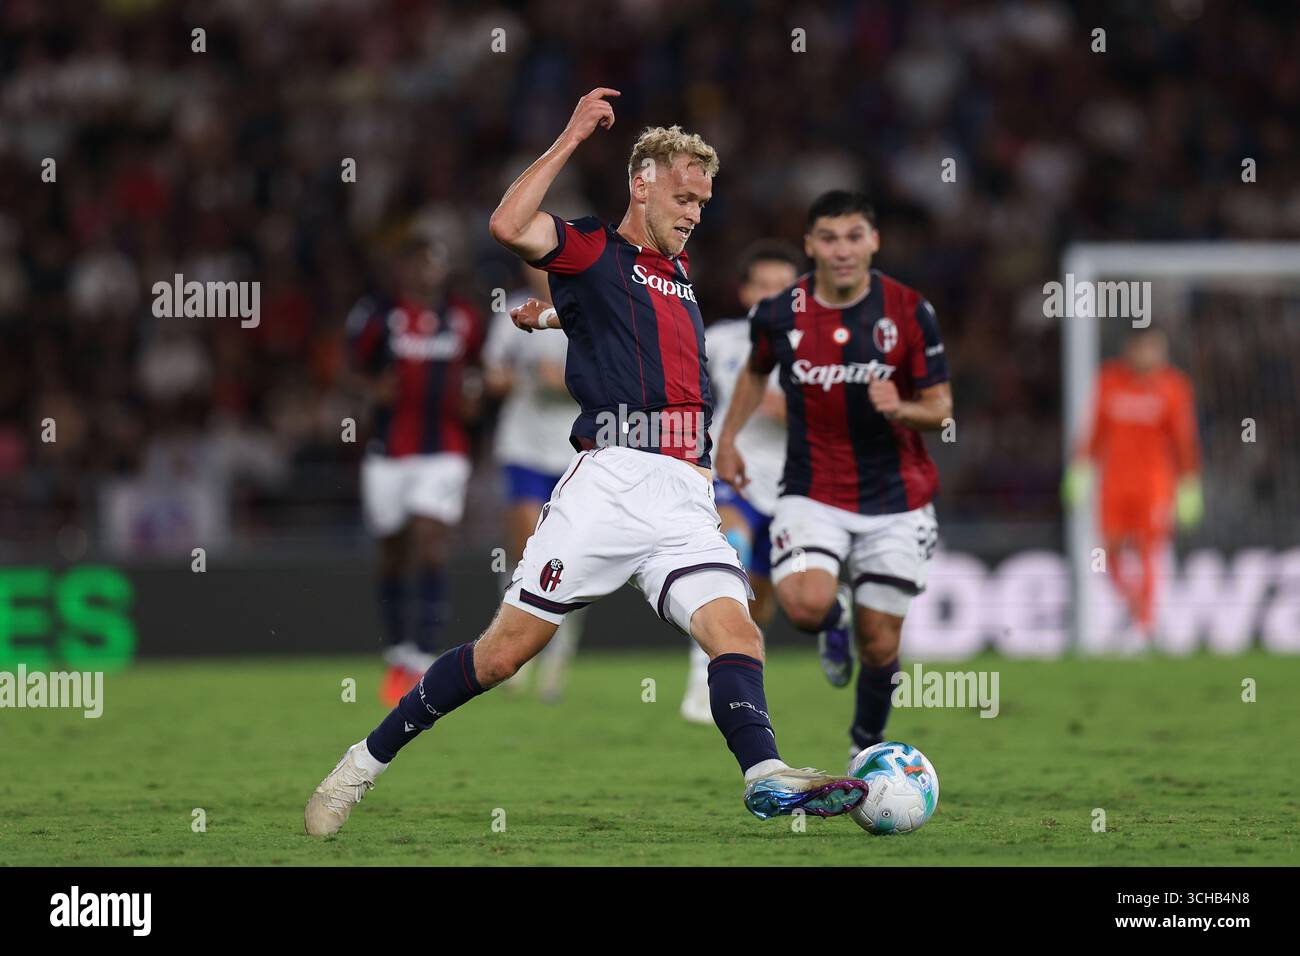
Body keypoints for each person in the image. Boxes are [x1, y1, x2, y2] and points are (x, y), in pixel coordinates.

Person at [305, 90, 868, 836]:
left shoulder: (673, 270)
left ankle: (765, 775)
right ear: (641, 181)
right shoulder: (593, 245)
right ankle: (358, 767)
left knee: (737, 633)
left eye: (703, 199)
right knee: (504, 655)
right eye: (683, 194)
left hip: (684, 492)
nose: (695, 210)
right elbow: (508, 225)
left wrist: (550, 314)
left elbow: (616, 316)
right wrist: (570, 133)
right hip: (610, 482)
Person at [715, 190, 952, 760]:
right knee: (803, 606)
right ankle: (833, 614)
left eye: (853, 236)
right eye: (828, 238)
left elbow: (940, 407)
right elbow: (753, 374)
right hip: (811, 492)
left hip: (897, 499)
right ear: (810, 246)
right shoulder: (780, 313)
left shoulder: (910, 312)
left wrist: (901, 408)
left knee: (880, 642)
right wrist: (727, 440)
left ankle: (865, 744)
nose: (841, 250)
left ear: (873, 241)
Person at [345, 234, 485, 706]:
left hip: (445, 449)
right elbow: (347, 369)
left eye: (436, 262)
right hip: (389, 452)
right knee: (392, 551)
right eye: (421, 262)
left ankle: (423, 657)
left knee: (430, 541)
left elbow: (480, 370)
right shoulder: (377, 314)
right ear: (405, 268)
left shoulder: (463, 317)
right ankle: (397, 650)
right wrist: (370, 387)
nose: (430, 271)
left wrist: (474, 393)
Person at [681, 240, 800, 724]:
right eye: (764, 286)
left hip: (792, 486)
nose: (772, 295)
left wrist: (793, 412)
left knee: (762, 600)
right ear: (746, 290)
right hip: (731, 472)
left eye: (784, 287)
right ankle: (698, 677)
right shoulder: (720, 339)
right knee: (732, 548)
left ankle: (735, 668)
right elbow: (688, 395)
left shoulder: (820, 347)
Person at [482, 264, 585, 701]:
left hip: (572, 450)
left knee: (566, 557)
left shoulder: (587, 305)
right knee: (527, 549)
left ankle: (556, 657)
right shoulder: (510, 308)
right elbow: (491, 374)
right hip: (523, 444)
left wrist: (562, 385)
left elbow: (610, 382)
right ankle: (513, 654)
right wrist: (504, 380)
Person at [1063, 329, 1202, 646]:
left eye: (1158, 348)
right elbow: (1095, 430)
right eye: (1147, 348)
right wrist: (1080, 468)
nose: (1152, 355)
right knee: (1106, 553)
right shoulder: (1109, 381)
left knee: (1148, 553)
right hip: (1114, 484)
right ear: (1131, 348)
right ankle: (1136, 609)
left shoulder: (1174, 387)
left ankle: (1143, 628)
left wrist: (1189, 483)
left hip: (1154, 485)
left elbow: (1184, 441)